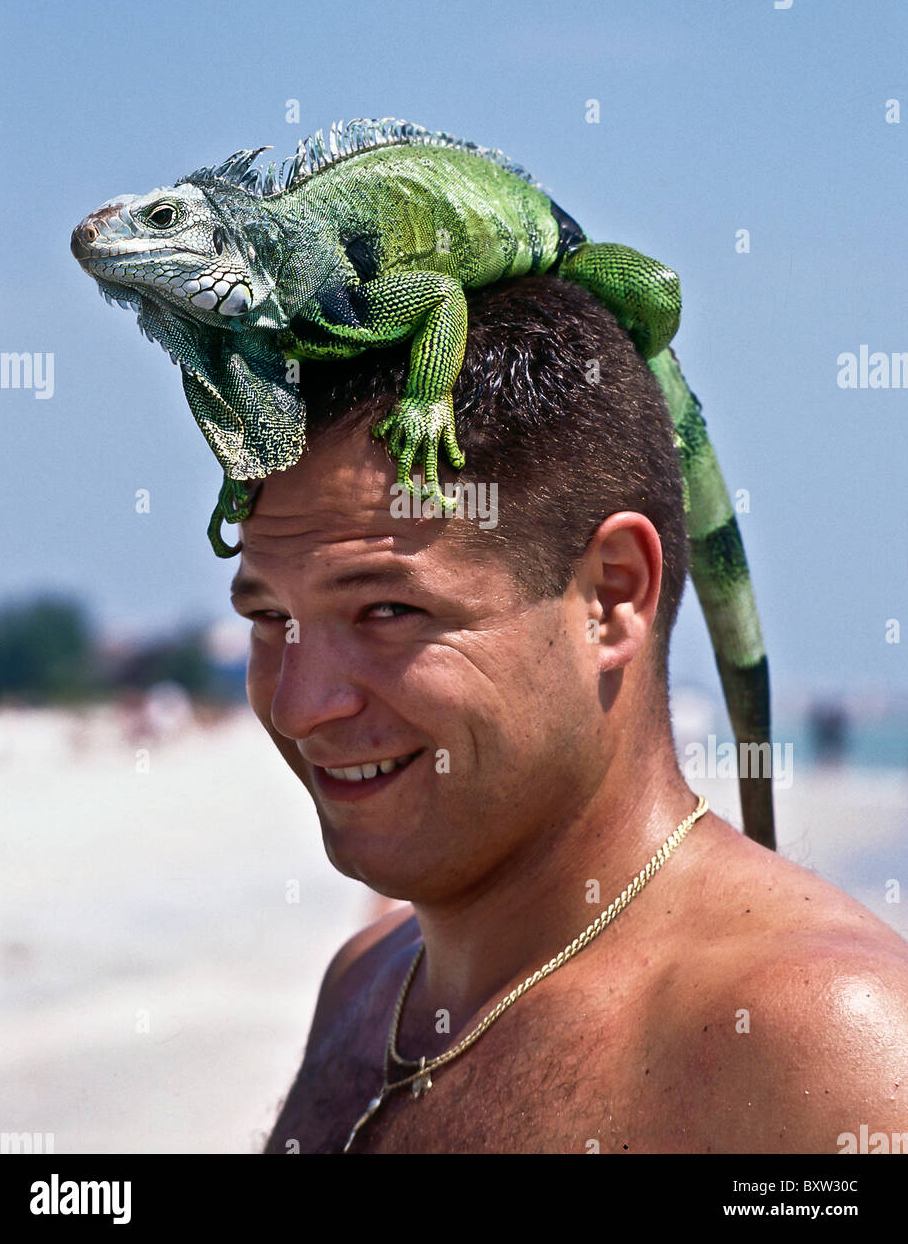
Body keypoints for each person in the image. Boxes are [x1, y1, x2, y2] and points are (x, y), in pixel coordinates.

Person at [227, 274, 908, 1154]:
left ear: (612, 598)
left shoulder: (824, 1048)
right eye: (268, 618)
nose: (300, 704)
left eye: (388, 612)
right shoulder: (366, 984)